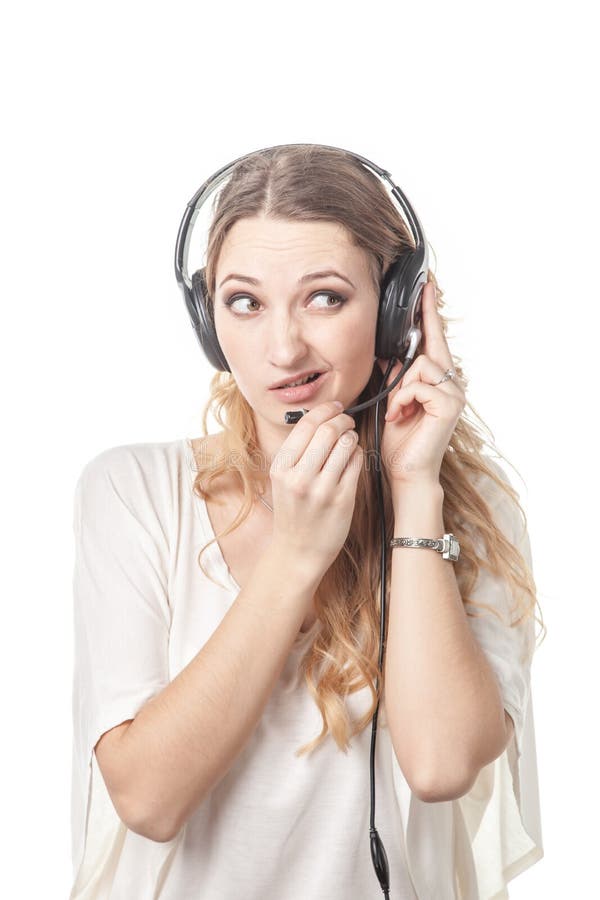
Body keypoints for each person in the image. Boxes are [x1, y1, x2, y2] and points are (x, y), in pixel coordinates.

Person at [69, 145, 545, 899]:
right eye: (245, 302)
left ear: (398, 312)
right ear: (206, 318)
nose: (283, 348)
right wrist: (295, 556)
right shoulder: (135, 491)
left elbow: (442, 765)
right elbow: (147, 801)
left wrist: (415, 486)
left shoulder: (473, 510)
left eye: (325, 297)